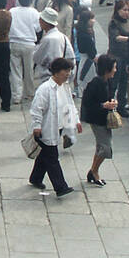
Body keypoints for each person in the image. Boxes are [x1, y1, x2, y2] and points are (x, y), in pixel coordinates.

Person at [28, 57, 80, 198]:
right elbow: (37, 109)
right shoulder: (45, 89)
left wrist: (76, 121)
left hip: (58, 126)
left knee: (44, 156)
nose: (68, 73)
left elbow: (70, 105)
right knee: (52, 158)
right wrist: (37, 126)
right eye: (65, 71)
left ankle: (36, 178)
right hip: (46, 129)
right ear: (56, 72)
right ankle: (60, 186)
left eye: (69, 70)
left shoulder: (65, 87)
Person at [82, 53, 118, 187]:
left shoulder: (107, 81)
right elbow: (87, 103)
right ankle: (94, 171)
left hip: (104, 118)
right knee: (105, 147)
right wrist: (104, 105)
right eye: (114, 67)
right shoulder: (95, 83)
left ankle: (93, 171)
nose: (115, 70)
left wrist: (112, 102)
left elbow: (109, 96)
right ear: (107, 68)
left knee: (101, 146)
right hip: (97, 119)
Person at [8, 0, 41, 106]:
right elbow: (38, 29)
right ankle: (30, 93)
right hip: (29, 44)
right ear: (30, 0)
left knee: (15, 71)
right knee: (29, 70)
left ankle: (17, 96)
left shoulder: (12, 11)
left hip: (14, 42)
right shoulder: (35, 12)